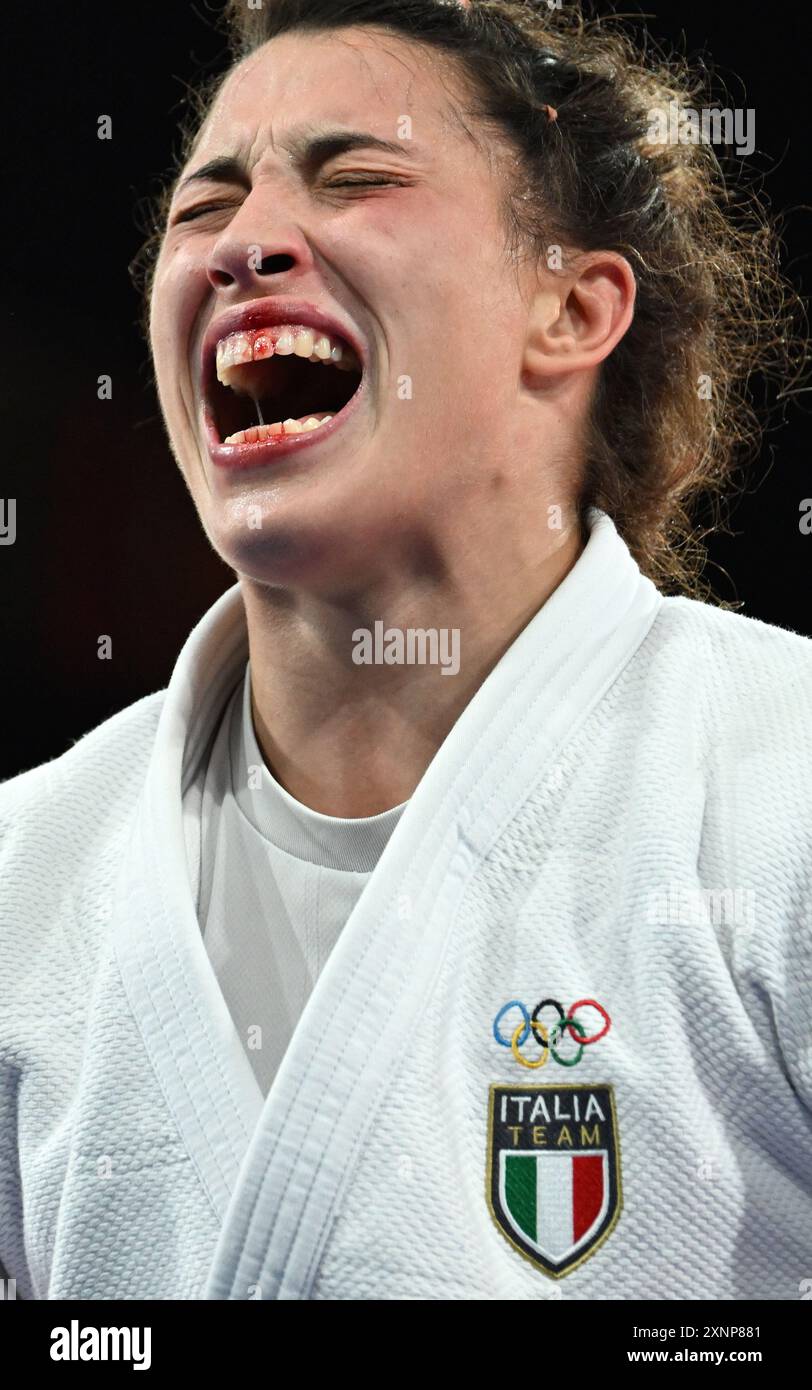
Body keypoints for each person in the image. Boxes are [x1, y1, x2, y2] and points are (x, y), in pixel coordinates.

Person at [1, 0, 810, 1301]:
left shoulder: (781, 791)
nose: (245, 245)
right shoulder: (21, 876)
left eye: (358, 177)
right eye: (200, 213)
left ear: (571, 305)